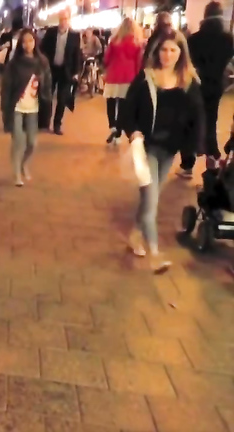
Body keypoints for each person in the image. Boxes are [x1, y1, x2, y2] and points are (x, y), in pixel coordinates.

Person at [120, 29, 204, 273]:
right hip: (146, 148)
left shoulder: (189, 81)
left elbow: (198, 117)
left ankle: (136, 235)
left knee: (149, 198)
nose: (167, 55)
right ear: (156, 51)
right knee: (151, 201)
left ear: (181, 52)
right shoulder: (147, 77)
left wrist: (197, 148)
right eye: (164, 49)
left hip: (170, 150)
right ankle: (155, 253)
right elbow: (127, 110)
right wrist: (133, 132)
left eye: (173, 50)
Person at [177, 1, 234, 179]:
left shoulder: (193, 39)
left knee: (189, 124)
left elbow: (186, 65)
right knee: (210, 123)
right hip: (216, 88)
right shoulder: (229, 40)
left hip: (195, 88)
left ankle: (187, 164)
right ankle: (212, 165)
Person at [1, 28, 52, 187]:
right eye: (24, 41)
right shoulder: (14, 64)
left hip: (33, 108)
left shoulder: (42, 61)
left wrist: (46, 97)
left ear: (35, 41)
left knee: (32, 143)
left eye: (30, 40)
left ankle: (23, 164)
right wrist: (5, 107)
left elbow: (48, 83)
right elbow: (6, 87)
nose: (27, 44)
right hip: (16, 107)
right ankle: (17, 173)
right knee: (18, 141)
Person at [39, 8, 82, 135]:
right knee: (47, 96)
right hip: (51, 70)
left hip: (65, 71)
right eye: (62, 19)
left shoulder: (74, 36)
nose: (64, 21)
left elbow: (76, 55)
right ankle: (44, 122)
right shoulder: (51, 33)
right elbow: (42, 49)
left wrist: (75, 72)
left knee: (62, 99)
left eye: (66, 19)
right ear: (59, 20)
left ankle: (57, 124)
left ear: (69, 20)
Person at [103, 17, 143, 147]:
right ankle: (119, 131)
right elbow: (138, 61)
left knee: (111, 102)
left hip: (114, 75)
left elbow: (107, 58)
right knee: (123, 106)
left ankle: (113, 127)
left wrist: (106, 69)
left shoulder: (114, 40)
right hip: (129, 76)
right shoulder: (137, 42)